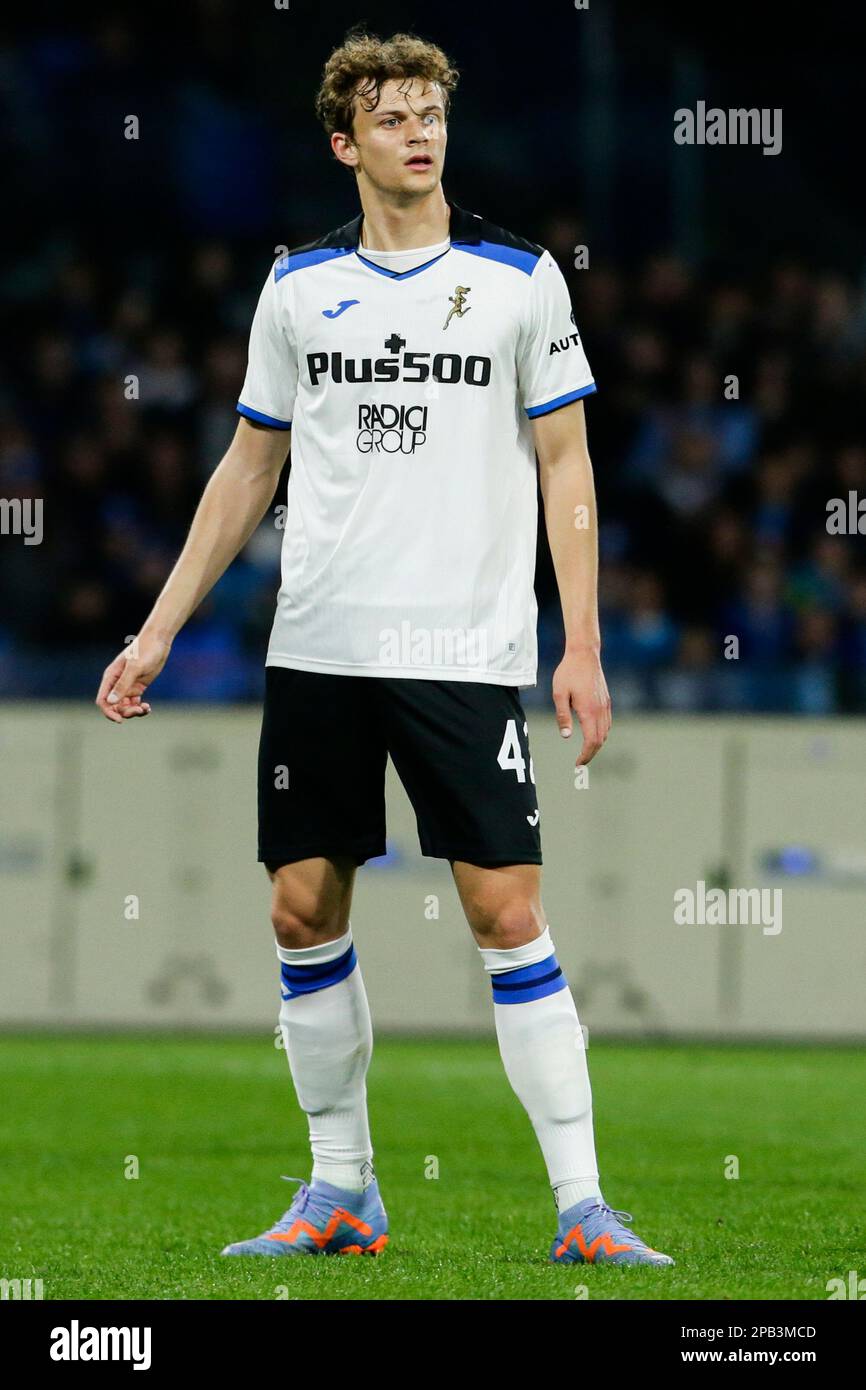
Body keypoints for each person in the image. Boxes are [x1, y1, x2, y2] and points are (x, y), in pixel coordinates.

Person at [96, 28, 673, 1269]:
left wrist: (581, 643)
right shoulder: (298, 289)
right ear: (345, 141)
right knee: (301, 908)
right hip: (320, 645)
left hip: (465, 647)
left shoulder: (519, 278)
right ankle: (341, 1191)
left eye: (433, 114)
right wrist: (155, 631)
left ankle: (582, 1204)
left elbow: (565, 462)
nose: (420, 134)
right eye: (395, 117)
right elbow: (250, 466)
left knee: (503, 908)